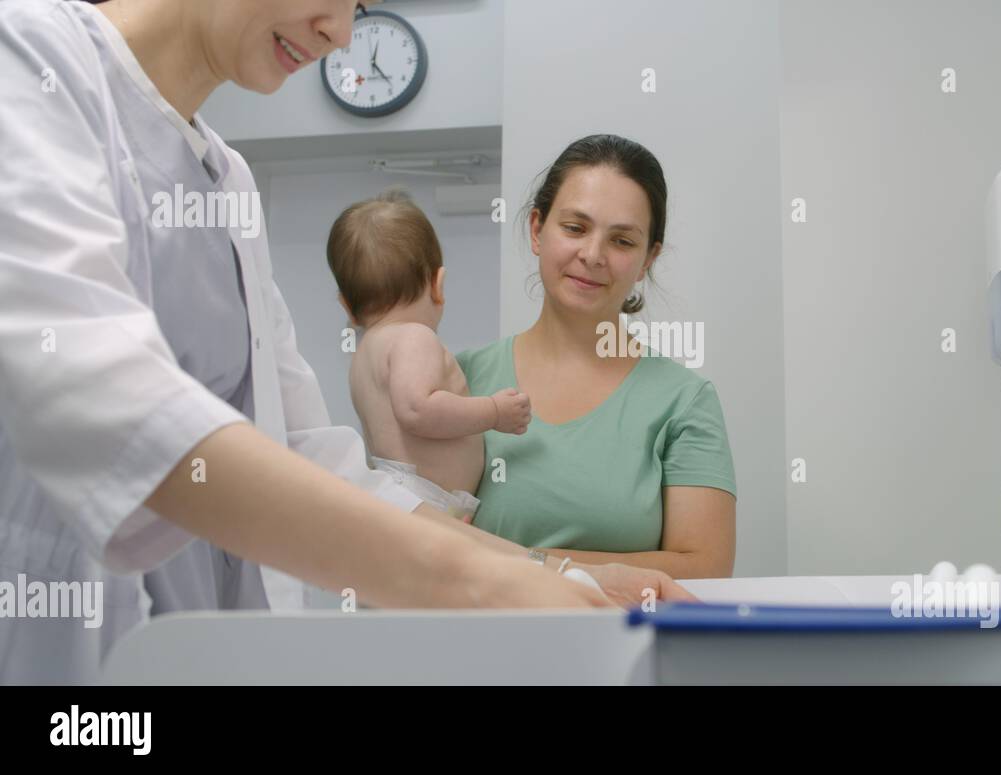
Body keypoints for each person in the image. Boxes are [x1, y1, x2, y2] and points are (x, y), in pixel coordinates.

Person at [0, 0, 689, 685]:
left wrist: (552, 572)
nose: (340, 34)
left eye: (357, 7)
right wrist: (473, 582)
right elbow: (102, 398)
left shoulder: (227, 180)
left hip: (201, 656)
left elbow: (310, 455)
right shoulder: (30, 57)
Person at [458, 135, 738, 579]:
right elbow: (408, 536)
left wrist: (527, 563)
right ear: (537, 229)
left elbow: (704, 569)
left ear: (648, 259)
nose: (592, 255)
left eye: (622, 241)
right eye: (575, 228)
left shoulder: (684, 402)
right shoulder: (459, 378)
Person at [325, 188, 530, 523]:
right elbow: (417, 409)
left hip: (409, 497)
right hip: (421, 500)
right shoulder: (413, 336)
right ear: (438, 285)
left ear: (346, 306)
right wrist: (494, 412)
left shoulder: (363, 356)